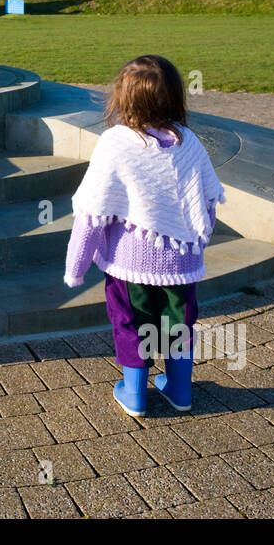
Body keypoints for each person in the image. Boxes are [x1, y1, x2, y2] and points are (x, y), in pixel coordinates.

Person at [63, 55, 225, 417]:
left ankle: (135, 394)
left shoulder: (115, 144)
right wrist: (198, 241)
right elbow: (208, 203)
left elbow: (91, 213)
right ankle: (180, 390)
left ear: (122, 99)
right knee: (178, 324)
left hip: (128, 266)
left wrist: (75, 268)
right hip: (182, 265)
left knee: (132, 324)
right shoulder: (189, 143)